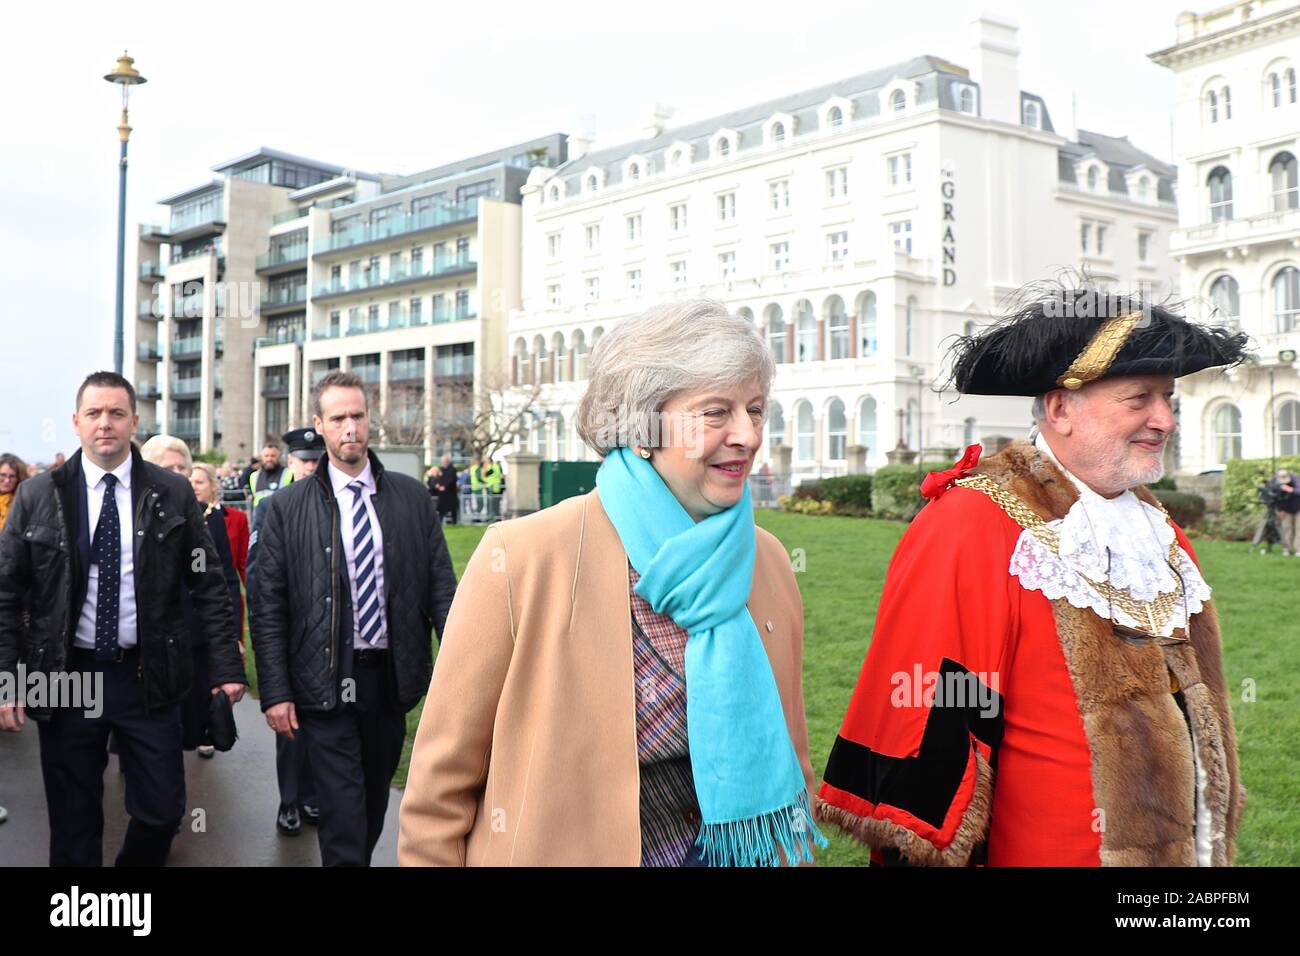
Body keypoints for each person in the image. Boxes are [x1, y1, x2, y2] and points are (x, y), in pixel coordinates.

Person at [816, 287, 1249, 866]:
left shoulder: (1156, 529)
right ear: (1061, 407)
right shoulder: (972, 523)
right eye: (1139, 398)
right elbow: (929, 728)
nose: (1164, 419)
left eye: (1168, 398)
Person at [399, 300, 826, 867]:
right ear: (643, 426)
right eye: (716, 412)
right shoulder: (523, 557)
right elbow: (439, 791)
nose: (747, 435)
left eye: (755, 409)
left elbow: (792, 755)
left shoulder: (769, 561)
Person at [0, 372, 244, 866]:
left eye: (116, 413)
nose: (105, 424)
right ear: (76, 422)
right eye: (94, 413)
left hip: (146, 674)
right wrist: (9, 680)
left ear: (134, 420)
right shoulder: (39, 496)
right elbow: (6, 592)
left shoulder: (171, 493)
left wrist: (226, 667)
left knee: (161, 811)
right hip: (65, 676)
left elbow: (209, 583)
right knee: (73, 820)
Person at [251, 373, 457, 865]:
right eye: (339, 418)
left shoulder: (410, 499)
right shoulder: (285, 509)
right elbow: (268, 605)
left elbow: (441, 590)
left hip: (388, 681)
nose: (350, 428)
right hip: (322, 682)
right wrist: (276, 692)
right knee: (342, 815)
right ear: (319, 425)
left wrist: (458, 670)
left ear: (369, 421)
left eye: (358, 416)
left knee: (369, 806)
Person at [137, 438, 243, 760]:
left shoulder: (205, 519)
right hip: (145, 641)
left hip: (191, 632)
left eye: (183, 468)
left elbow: (222, 581)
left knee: (186, 715)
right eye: (169, 468)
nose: (179, 475)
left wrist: (230, 640)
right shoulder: (133, 517)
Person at [246, 426, 326, 836]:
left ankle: (313, 797)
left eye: (316, 459)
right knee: (291, 722)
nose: (311, 466)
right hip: (293, 634)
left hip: (329, 636)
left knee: (326, 720)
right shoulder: (273, 507)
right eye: (304, 460)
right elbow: (259, 577)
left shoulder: (338, 505)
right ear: (291, 463)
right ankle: (290, 800)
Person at [245, 443, 291, 512]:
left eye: (273, 456)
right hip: (260, 519)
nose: (269, 459)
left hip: (280, 517)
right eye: (266, 456)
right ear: (261, 457)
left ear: (278, 457)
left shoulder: (289, 473)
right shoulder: (254, 476)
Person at [0, 453, 29, 532]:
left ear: (19, 478)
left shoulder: (24, 502)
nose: (7, 480)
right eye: (2, 475)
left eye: (12, 476)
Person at [432, 455, 459, 525]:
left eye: (444, 461)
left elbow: (452, 480)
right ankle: (440, 522)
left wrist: (445, 487)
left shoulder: (452, 469)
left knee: (452, 509)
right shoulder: (442, 469)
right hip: (443, 493)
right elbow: (440, 479)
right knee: (441, 509)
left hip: (450, 492)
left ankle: (454, 522)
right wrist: (438, 485)